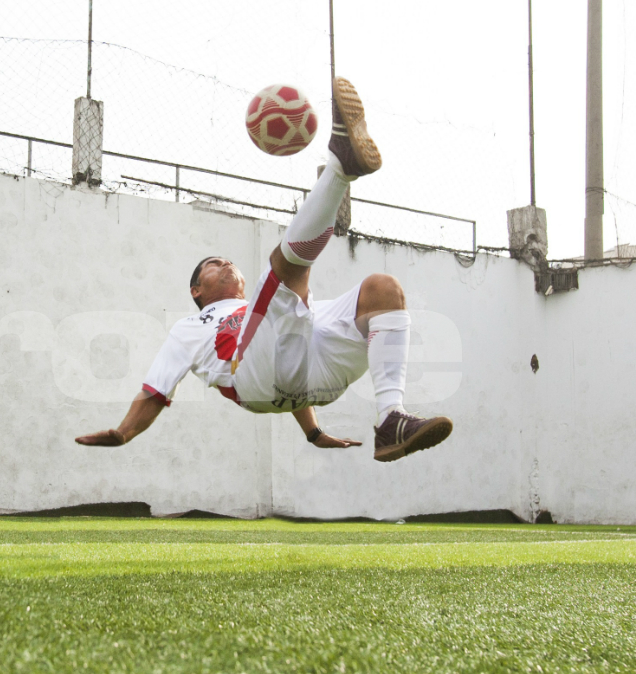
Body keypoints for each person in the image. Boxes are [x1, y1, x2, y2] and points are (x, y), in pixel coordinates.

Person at [75, 77, 452, 461]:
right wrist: (123, 433)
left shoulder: (262, 310)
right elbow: (156, 390)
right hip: (249, 380)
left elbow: (289, 348)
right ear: (196, 291)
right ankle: (340, 166)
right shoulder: (187, 328)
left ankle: (391, 420)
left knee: (382, 289)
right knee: (281, 278)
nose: (225, 263)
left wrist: (314, 433)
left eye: (227, 261)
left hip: (316, 377)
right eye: (212, 265)